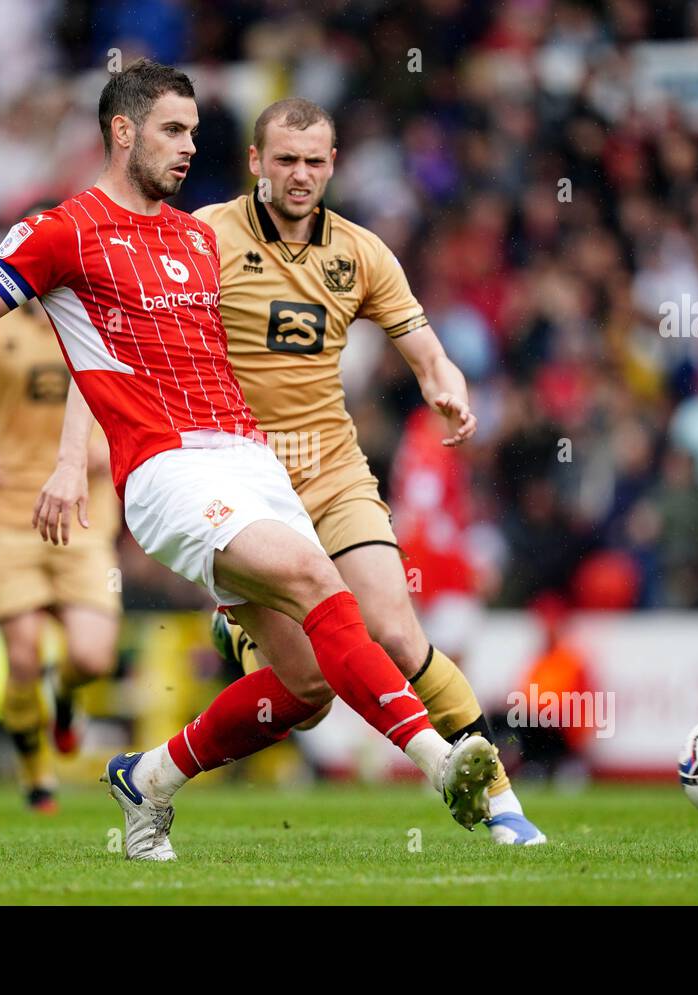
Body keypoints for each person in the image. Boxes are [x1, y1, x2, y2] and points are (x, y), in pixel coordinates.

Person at [0, 59, 499, 862]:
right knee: (316, 577)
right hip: (167, 470)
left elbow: (154, 350)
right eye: (173, 130)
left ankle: (149, 778)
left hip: (251, 460)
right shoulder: (63, 232)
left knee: (307, 687)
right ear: (122, 132)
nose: (191, 147)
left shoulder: (198, 237)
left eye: (195, 132)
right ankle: (441, 761)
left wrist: (416, 361)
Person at [191, 98, 544, 844]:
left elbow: (423, 345)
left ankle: (503, 802)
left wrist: (446, 384)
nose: (300, 175)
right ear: (256, 161)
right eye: (285, 159)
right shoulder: (204, 238)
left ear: (334, 164)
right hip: (239, 480)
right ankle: (245, 633)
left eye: (315, 161)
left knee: (392, 625)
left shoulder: (362, 252)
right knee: (305, 684)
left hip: (332, 469)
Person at [0, 293, 121, 813]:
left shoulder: (103, 319)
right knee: (24, 653)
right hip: (9, 515)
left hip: (85, 517)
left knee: (92, 656)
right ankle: (37, 776)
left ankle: (67, 696)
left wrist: (116, 445)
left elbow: (147, 388)